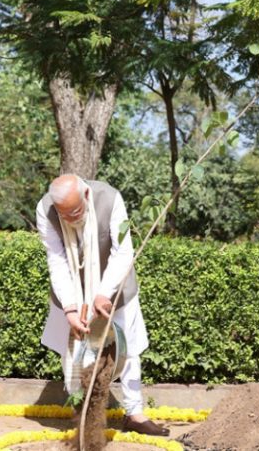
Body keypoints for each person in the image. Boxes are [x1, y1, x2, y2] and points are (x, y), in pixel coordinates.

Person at [36, 174, 168, 436]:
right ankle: (82, 413)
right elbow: (57, 258)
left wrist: (103, 293)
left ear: (86, 196)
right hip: (71, 291)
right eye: (64, 215)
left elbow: (123, 251)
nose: (70, 219)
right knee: (73, 348)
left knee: (126, 348)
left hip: (115, 288)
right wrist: (71, 309)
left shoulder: (110, 198)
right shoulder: (45, 209)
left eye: (74, 212)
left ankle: (135, 414)